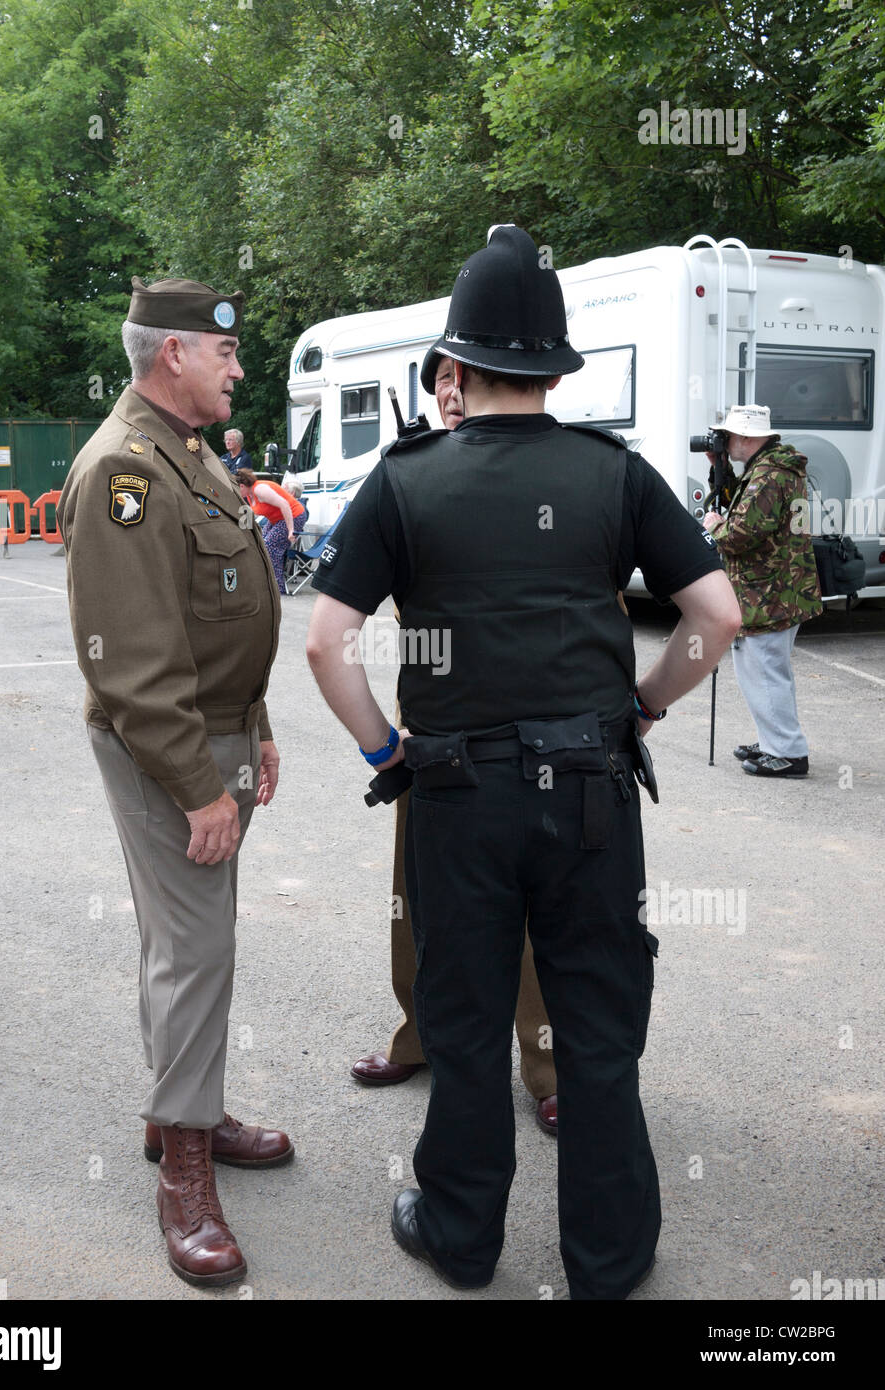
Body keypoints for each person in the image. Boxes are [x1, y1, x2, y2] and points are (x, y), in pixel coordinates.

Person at [306, 225, 741, 1299]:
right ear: (554, 366)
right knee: (597, 1023)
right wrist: (639, 707)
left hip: (456, 795)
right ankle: (608, 1256)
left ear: (457, 366)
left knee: (462, 1020)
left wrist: (385, 749)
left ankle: (461, 1235)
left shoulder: (405, 480)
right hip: (590, 791)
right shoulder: (612, 472)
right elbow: (716, 616)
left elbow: (326, 642)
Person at [57, 276, 292, 1290]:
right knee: (196, 945)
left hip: (219, 731)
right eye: (225, 354)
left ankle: (177, 1109)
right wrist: (203, 786)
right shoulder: (125, 470)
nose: (238, 369)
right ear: (172, 359)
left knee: (186, 937)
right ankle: (184, 1169)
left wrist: (262, 726)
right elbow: (132, 663)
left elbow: (228, 609)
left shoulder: (188, 453)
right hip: (172, 747)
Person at [351, 346, 560, 1136]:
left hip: (535, 743)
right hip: (433, 738)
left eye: (457, 375)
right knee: (418, 905)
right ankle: (423, 1035)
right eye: (437, 380)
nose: (448, 390)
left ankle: (546, 1065)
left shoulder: (558, 474)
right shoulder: (410, 473)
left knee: (534, 917)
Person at [702, 405, 822, 778]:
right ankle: (773, 740)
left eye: (729, 436)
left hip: (770, 592)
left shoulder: (770, 475)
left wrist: (714, 526)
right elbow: (743, 505)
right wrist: (717, 469)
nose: (726, 442)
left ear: (747, 437)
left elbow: (740, 534)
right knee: (761, 670)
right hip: (776, 588)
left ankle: (787, 752)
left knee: (765, 672)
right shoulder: (769, 469)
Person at [236, 467, 306, 596]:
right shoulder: (249, 495)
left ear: (242, 486)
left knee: (270, 547)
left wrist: (291, 530)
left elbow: (284, 504)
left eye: (236, 488)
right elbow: (252, 515)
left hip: (294, 515)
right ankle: (262, 582)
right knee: (260, 544)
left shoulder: (259, 489)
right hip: (277, 519)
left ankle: (277, 589)